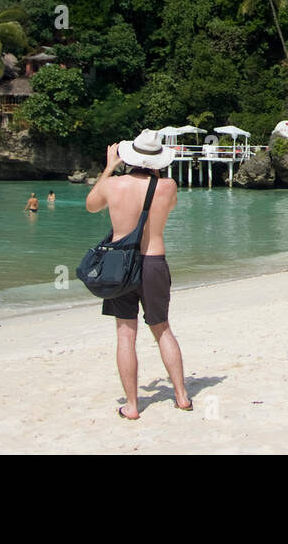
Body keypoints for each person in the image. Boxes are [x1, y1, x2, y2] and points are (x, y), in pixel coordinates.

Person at [85, 129, 192, 417]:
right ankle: (182, 396)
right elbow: (167, 206)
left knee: (125, 335)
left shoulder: (114, 185)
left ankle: (132, 406)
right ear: (158, 160)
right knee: (162, 329)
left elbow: (91, 205)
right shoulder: (167, 187)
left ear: (129, 156)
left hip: (120, 266)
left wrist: (109, 167)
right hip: (154, 263)